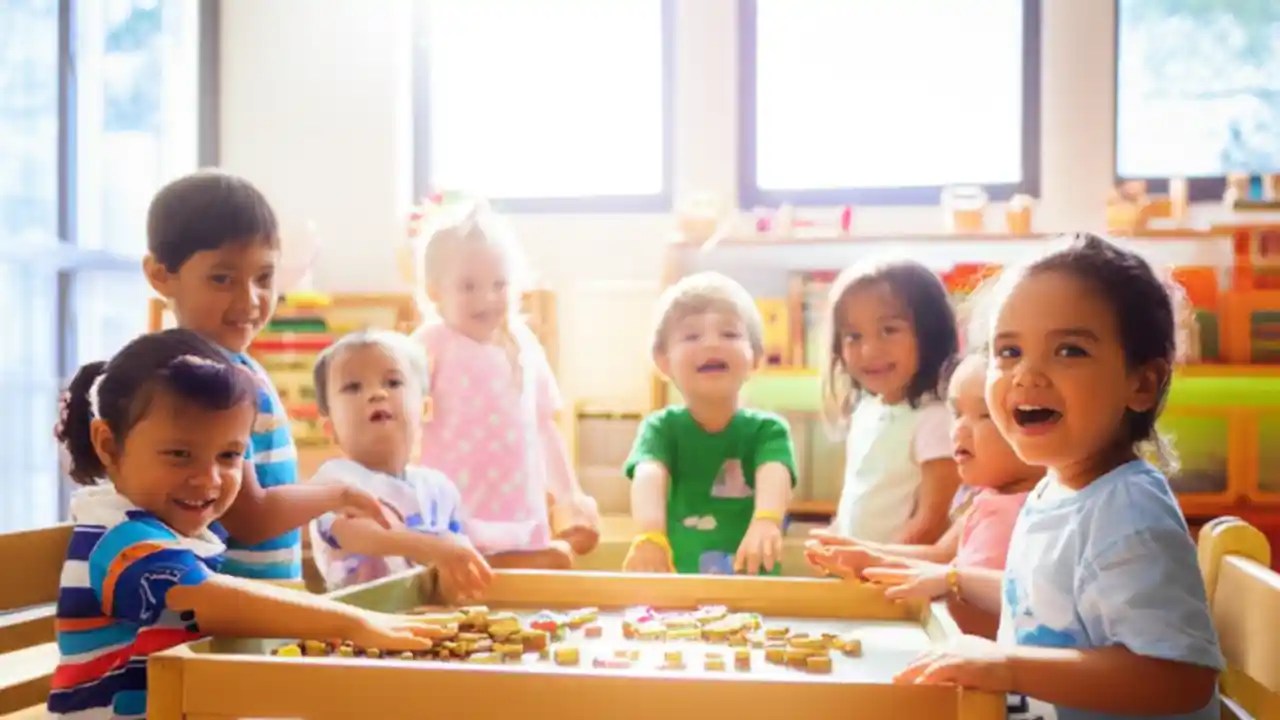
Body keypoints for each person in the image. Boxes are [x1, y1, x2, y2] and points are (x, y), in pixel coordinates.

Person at [866, 234, 1223, 720]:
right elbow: (1040, 600)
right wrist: (950, 578)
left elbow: (1180, 678)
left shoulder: (1129, 514)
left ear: (1140, 383)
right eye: (1008, 352)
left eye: (1069, 350)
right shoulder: (1056, 487)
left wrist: (1007, 665)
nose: (1026, 375)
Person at [47, 330, 441, 719]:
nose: (209, 479)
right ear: (109, 446)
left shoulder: (166, 528)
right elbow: (207, 598)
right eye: (180, 454)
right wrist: (352, 621)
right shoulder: (120, 536)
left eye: (229, 455)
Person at [142, 170, 388, 586]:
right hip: (230, 612)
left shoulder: (238, 367)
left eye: (264, 278)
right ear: (162, 275)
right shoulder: (195, 379)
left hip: (261, 605)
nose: (249, 299)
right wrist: (337, 495)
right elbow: (250, 516)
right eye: (222, 278)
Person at [411, 203, 599, 568]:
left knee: (525, 606)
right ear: (435, 291)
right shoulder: (429, 345)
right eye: (469, 286)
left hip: (521, 516)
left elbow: (544, 425)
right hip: (455, 519)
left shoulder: (522, 343)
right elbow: (402, 425)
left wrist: (569, 495)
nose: (487, 298)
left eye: (499, 285)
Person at [805, 351, 1041, 637]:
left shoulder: (1031, 513)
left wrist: (933, 587)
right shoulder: (986, 499)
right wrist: (869, 556)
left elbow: (989, 613)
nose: (959, 429)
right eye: (956, 413)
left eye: (984, 415)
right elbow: (940, 557)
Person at [623, 272, 797, 575]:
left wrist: (767, 520)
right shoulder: (661, 429)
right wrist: (649, 535)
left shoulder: (768, 431)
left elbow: (775, 471)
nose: (712, 343)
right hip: (680, 589)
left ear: (756, 357)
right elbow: (648, 473)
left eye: (730, 334)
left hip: (753, 589)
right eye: (691, 336)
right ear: (663, 361)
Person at [307, 330, 492, 598]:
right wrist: (434, 546)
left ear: (426, 409)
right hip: (360, 627)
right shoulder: (335, 480)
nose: (376, 394)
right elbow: (354, 532)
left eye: (393, 382)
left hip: (432, 622)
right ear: (330, 427)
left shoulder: (439, 488)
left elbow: (460, 548)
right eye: (353, 387)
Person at [822, 258, 961, 544]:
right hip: (860, 577)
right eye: (853, 336)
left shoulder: (935, 419)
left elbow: (931, 522)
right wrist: (834, 538)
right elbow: (858, 499)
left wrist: (875, 562)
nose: (870, 350)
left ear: (929, 332)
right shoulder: (866, 411)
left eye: (889, 330)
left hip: (899, 579)